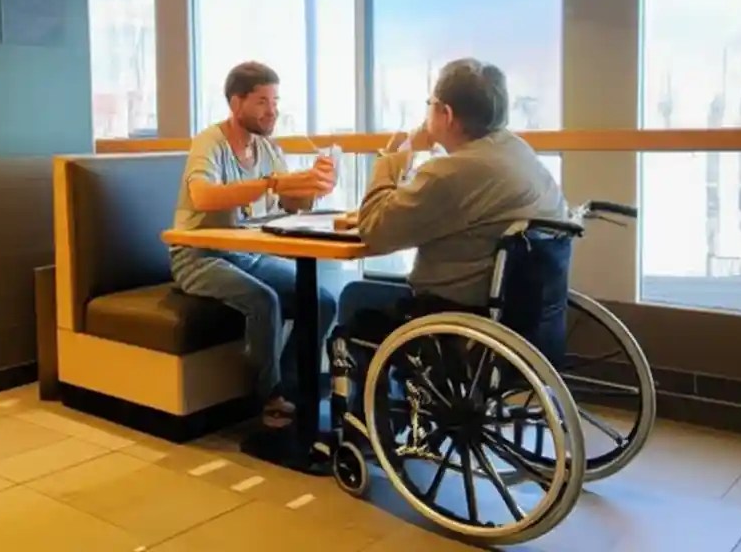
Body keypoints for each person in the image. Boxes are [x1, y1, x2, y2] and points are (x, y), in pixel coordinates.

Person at [344, 57, 568, 341]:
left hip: (456, 318)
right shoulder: (517, 151)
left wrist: (392, 161)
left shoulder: (452, 173)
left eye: (430, 103)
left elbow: (375, 230)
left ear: (446, 114)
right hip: (521, 318)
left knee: (356, 298)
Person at [170, 61, 339, 429]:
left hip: (246, 255)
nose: (272, 110)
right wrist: (271, 184)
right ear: (236, 103)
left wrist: (314, 185)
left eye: (275, 100)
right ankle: (268, 396)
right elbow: (202, 196)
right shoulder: (210, 142)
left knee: (322, 300)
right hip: (197, 257)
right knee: (264, 300)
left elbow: (290, 203)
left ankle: (295, 389)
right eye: (262, 101)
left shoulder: (266, 147)